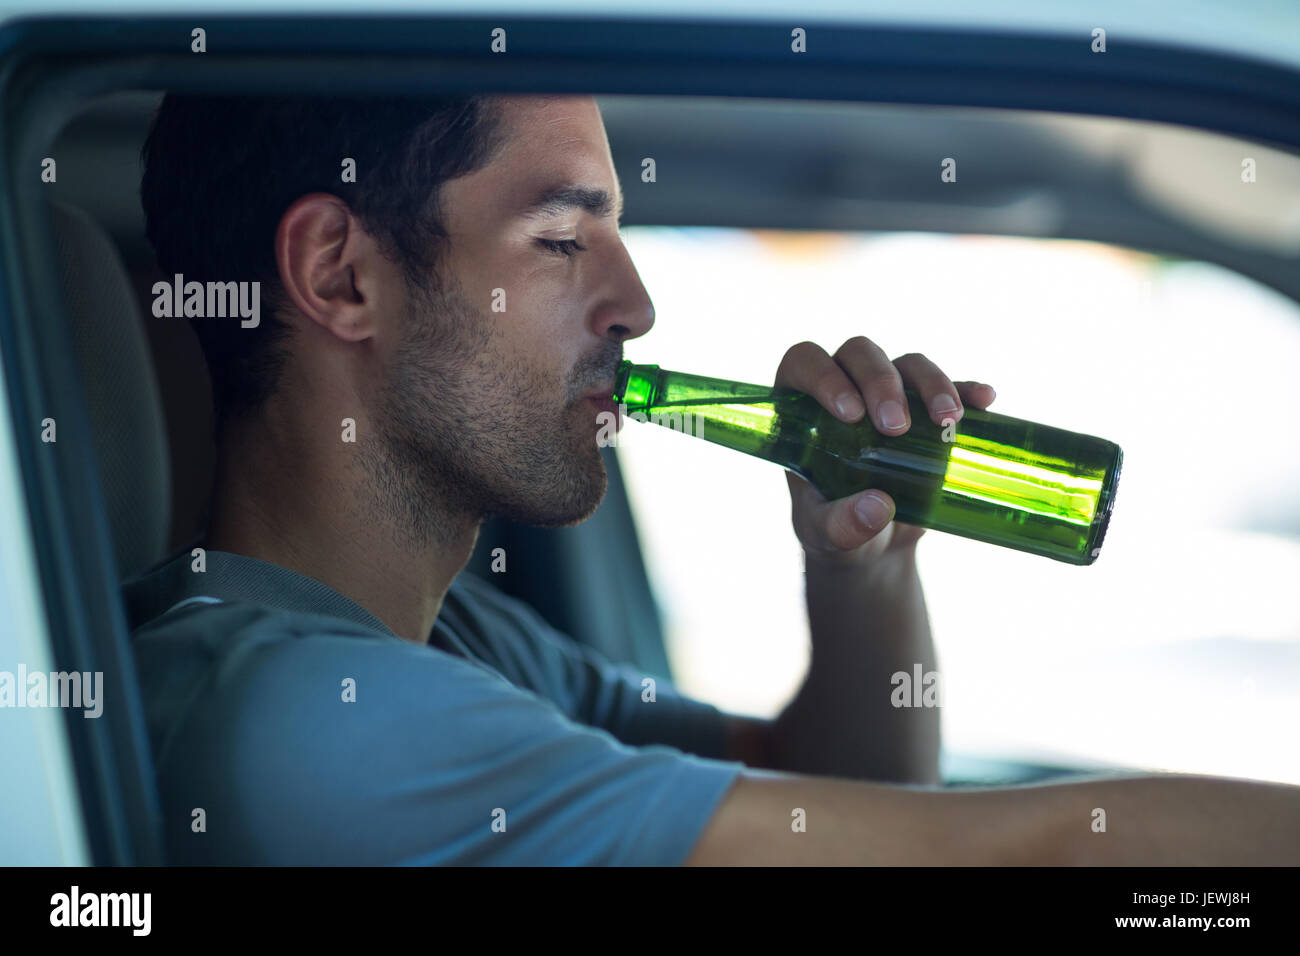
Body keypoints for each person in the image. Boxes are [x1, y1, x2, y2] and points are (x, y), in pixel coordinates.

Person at [128, 91, 1300, 865]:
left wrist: (859, 564)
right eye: (560, 238)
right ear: (339, 277)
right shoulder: (305, 718)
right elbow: (1008, 853)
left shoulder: (460, 641)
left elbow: (838, 791)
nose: (637, 305)